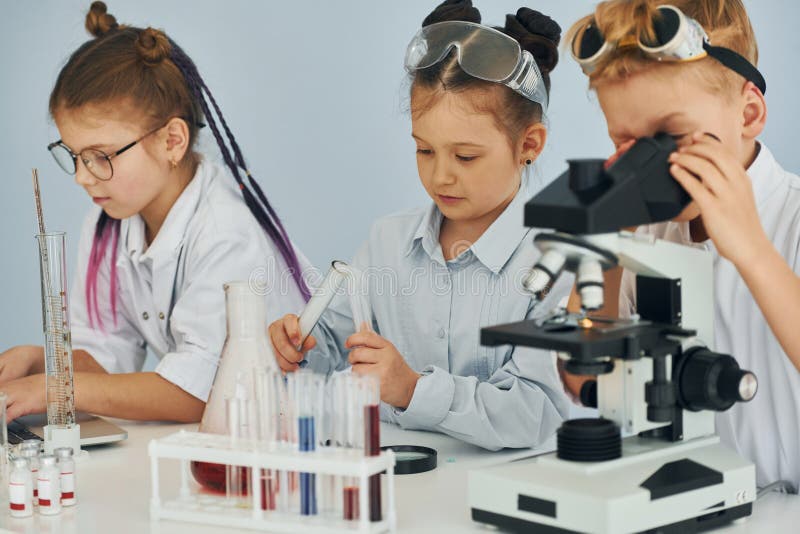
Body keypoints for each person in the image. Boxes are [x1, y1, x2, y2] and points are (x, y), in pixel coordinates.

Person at [269, 0, 573, 450]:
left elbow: (535, 411)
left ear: (529, 144)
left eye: (465, 156)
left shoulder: (558, 262)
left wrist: (413, 390)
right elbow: (333, 348)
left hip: (497, 491)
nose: (440, 175)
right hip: (394, 486)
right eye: (424, 151)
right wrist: (298, 347)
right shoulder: (387, 241)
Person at [0, 2, 309, 422]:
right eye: (72, 155)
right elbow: (108, 359)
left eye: (99, 156)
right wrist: (39, 362)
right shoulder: (110, 221)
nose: (82, 177)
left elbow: (198, 394)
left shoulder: (227, 231)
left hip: (296, 430)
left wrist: (57, 387)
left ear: (172, 141)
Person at [567, 0, 799, 490]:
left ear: (749, 112)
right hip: (686, 496)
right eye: (625, 144)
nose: (644, 167)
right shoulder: (645, 232)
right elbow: (581, 378)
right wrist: (604, 244)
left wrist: (753, 251)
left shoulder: (793, 218)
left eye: (669, 137)